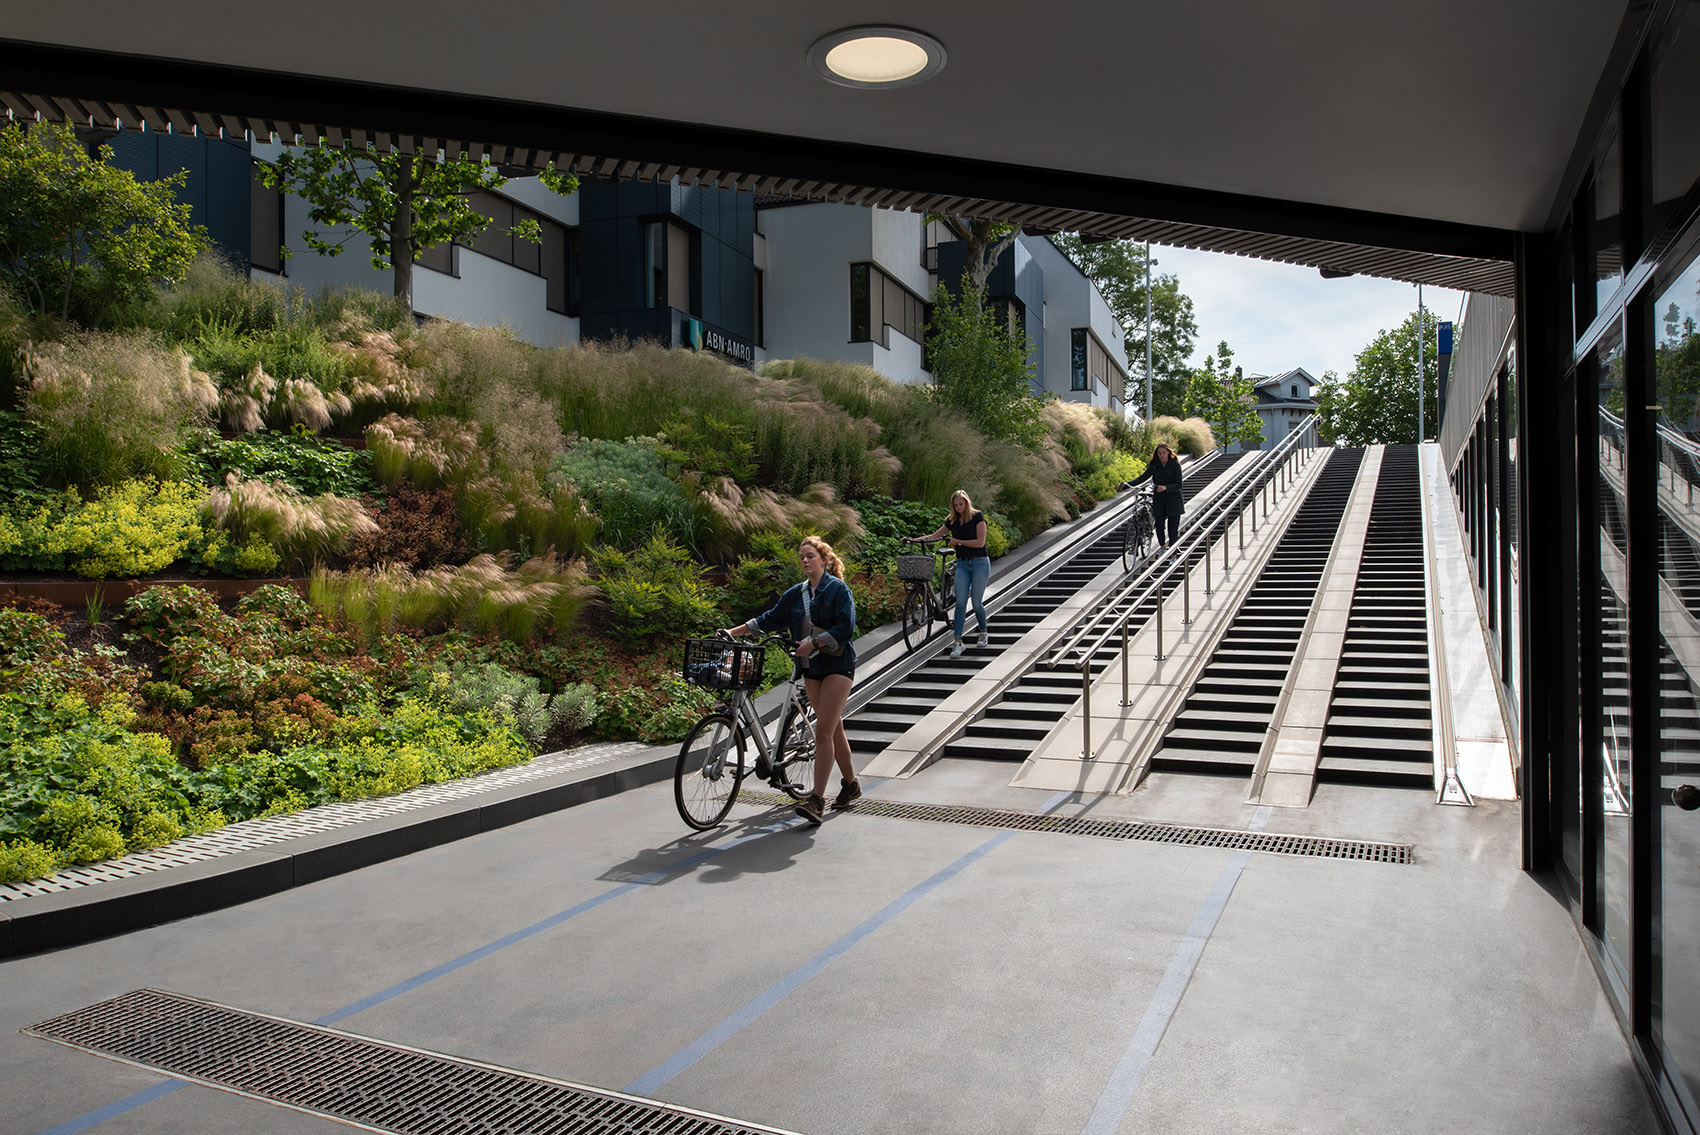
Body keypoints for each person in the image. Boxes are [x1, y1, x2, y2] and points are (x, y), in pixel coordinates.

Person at [723, 535, 859, 825]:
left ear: (824, 560)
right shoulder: (796, 594)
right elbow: (769, 619)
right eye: (802, 557)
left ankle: (817, 800)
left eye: (810, 555)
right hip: (810, 667)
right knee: (833, 730)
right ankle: (851, 784)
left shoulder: (837, 589)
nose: (806, 560)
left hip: (837, 665)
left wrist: (815, 642)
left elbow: (846, 627)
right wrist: (732, 633)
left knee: (822, 732)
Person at [908, 489, 990, 658]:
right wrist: (912, 540)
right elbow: (935, 536)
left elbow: (980, 543)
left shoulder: (977, 517)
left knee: (976, 603)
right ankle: (958, 642)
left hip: (980, 563)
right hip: (962, 565)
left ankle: (983, 631)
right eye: (955, 505)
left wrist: (958, 542)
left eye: (961, 504)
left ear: (967, 503)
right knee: (960, 602)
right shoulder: (951, 520)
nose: (959, 507)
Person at [1122, 443, 1184, 550]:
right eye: (1159, 453)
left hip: (1174, 500)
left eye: (1164, 453)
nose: (1162, 455)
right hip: (1159, 500)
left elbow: (1178, 484)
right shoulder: (1155, 465)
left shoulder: (1175, 465)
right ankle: (1163, 547)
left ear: (1168, 452)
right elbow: (1143, 477)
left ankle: (1173, 554)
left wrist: (1166, 487)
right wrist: (1126, 485)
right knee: (1159, 526)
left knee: (1172, 529)